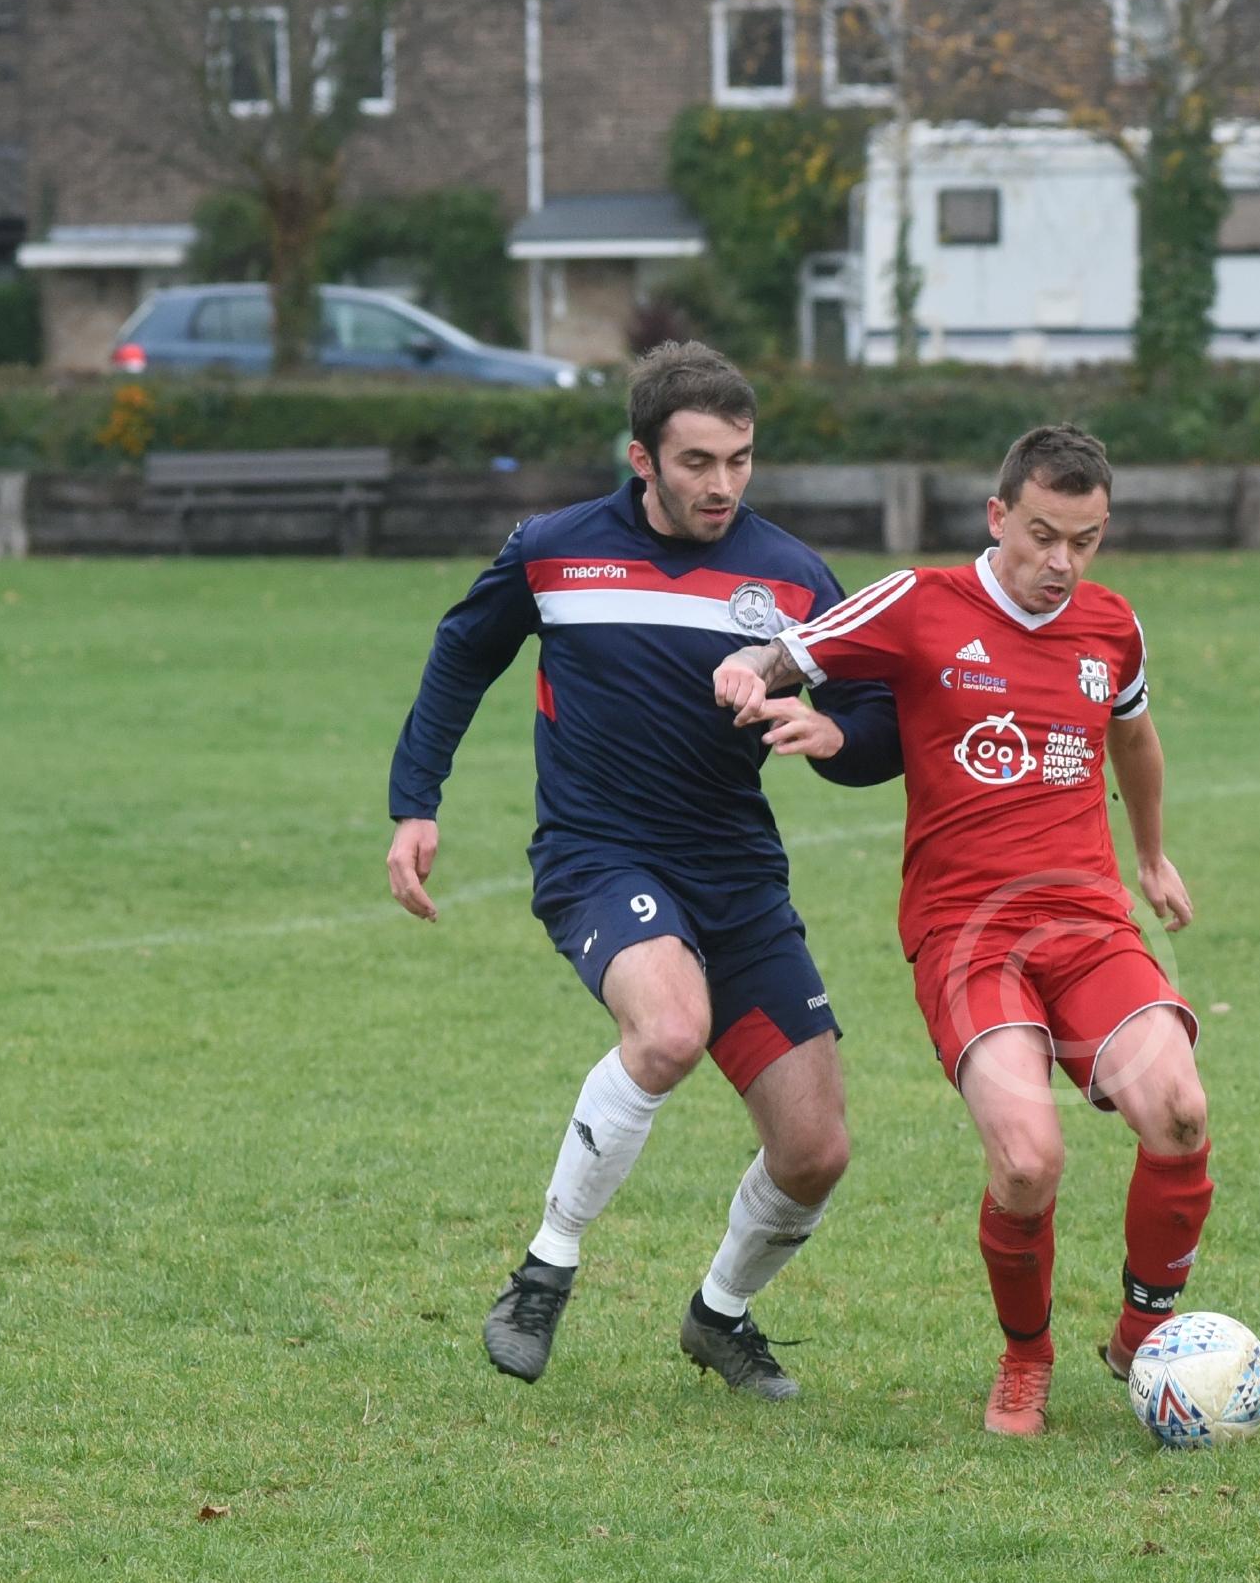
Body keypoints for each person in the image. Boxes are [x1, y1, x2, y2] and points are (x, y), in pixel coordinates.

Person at [385, 341, 900, 1401]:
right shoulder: (555, 550)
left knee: (814, 1151)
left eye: (740, 460)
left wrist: (830, 732)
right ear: (642, 458)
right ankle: (543, 1271)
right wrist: (415, 801)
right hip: (596, 854)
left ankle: (719, 1314)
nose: (722, 484)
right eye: (697, 461)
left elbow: (876, 722)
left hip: (737, 876)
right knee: (667, 1030)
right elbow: (463, 651)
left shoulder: (794, 578)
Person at [711, 424, 1214, 1437]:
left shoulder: (1112, 627)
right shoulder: (921, 602)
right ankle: (1025, 1358)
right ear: (997, 517)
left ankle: (1142, 1334)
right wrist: (748, 673)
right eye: (1042, 535)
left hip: (1087, 921)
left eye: (1084, 540)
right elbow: (789, 651)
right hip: (966, 931)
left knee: (1179, 1110)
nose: (1061, 563)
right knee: (1027, 1161)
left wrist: (1152, 855)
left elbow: (1135, 737)